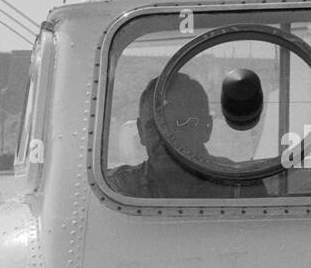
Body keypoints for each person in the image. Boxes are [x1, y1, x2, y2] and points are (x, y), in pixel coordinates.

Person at [106, 74, 268, 199]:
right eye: (154, 127)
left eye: (181, 123)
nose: (165, 138)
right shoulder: (116, 188)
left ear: (207, 128)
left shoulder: (241, 186)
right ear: (141, 133)